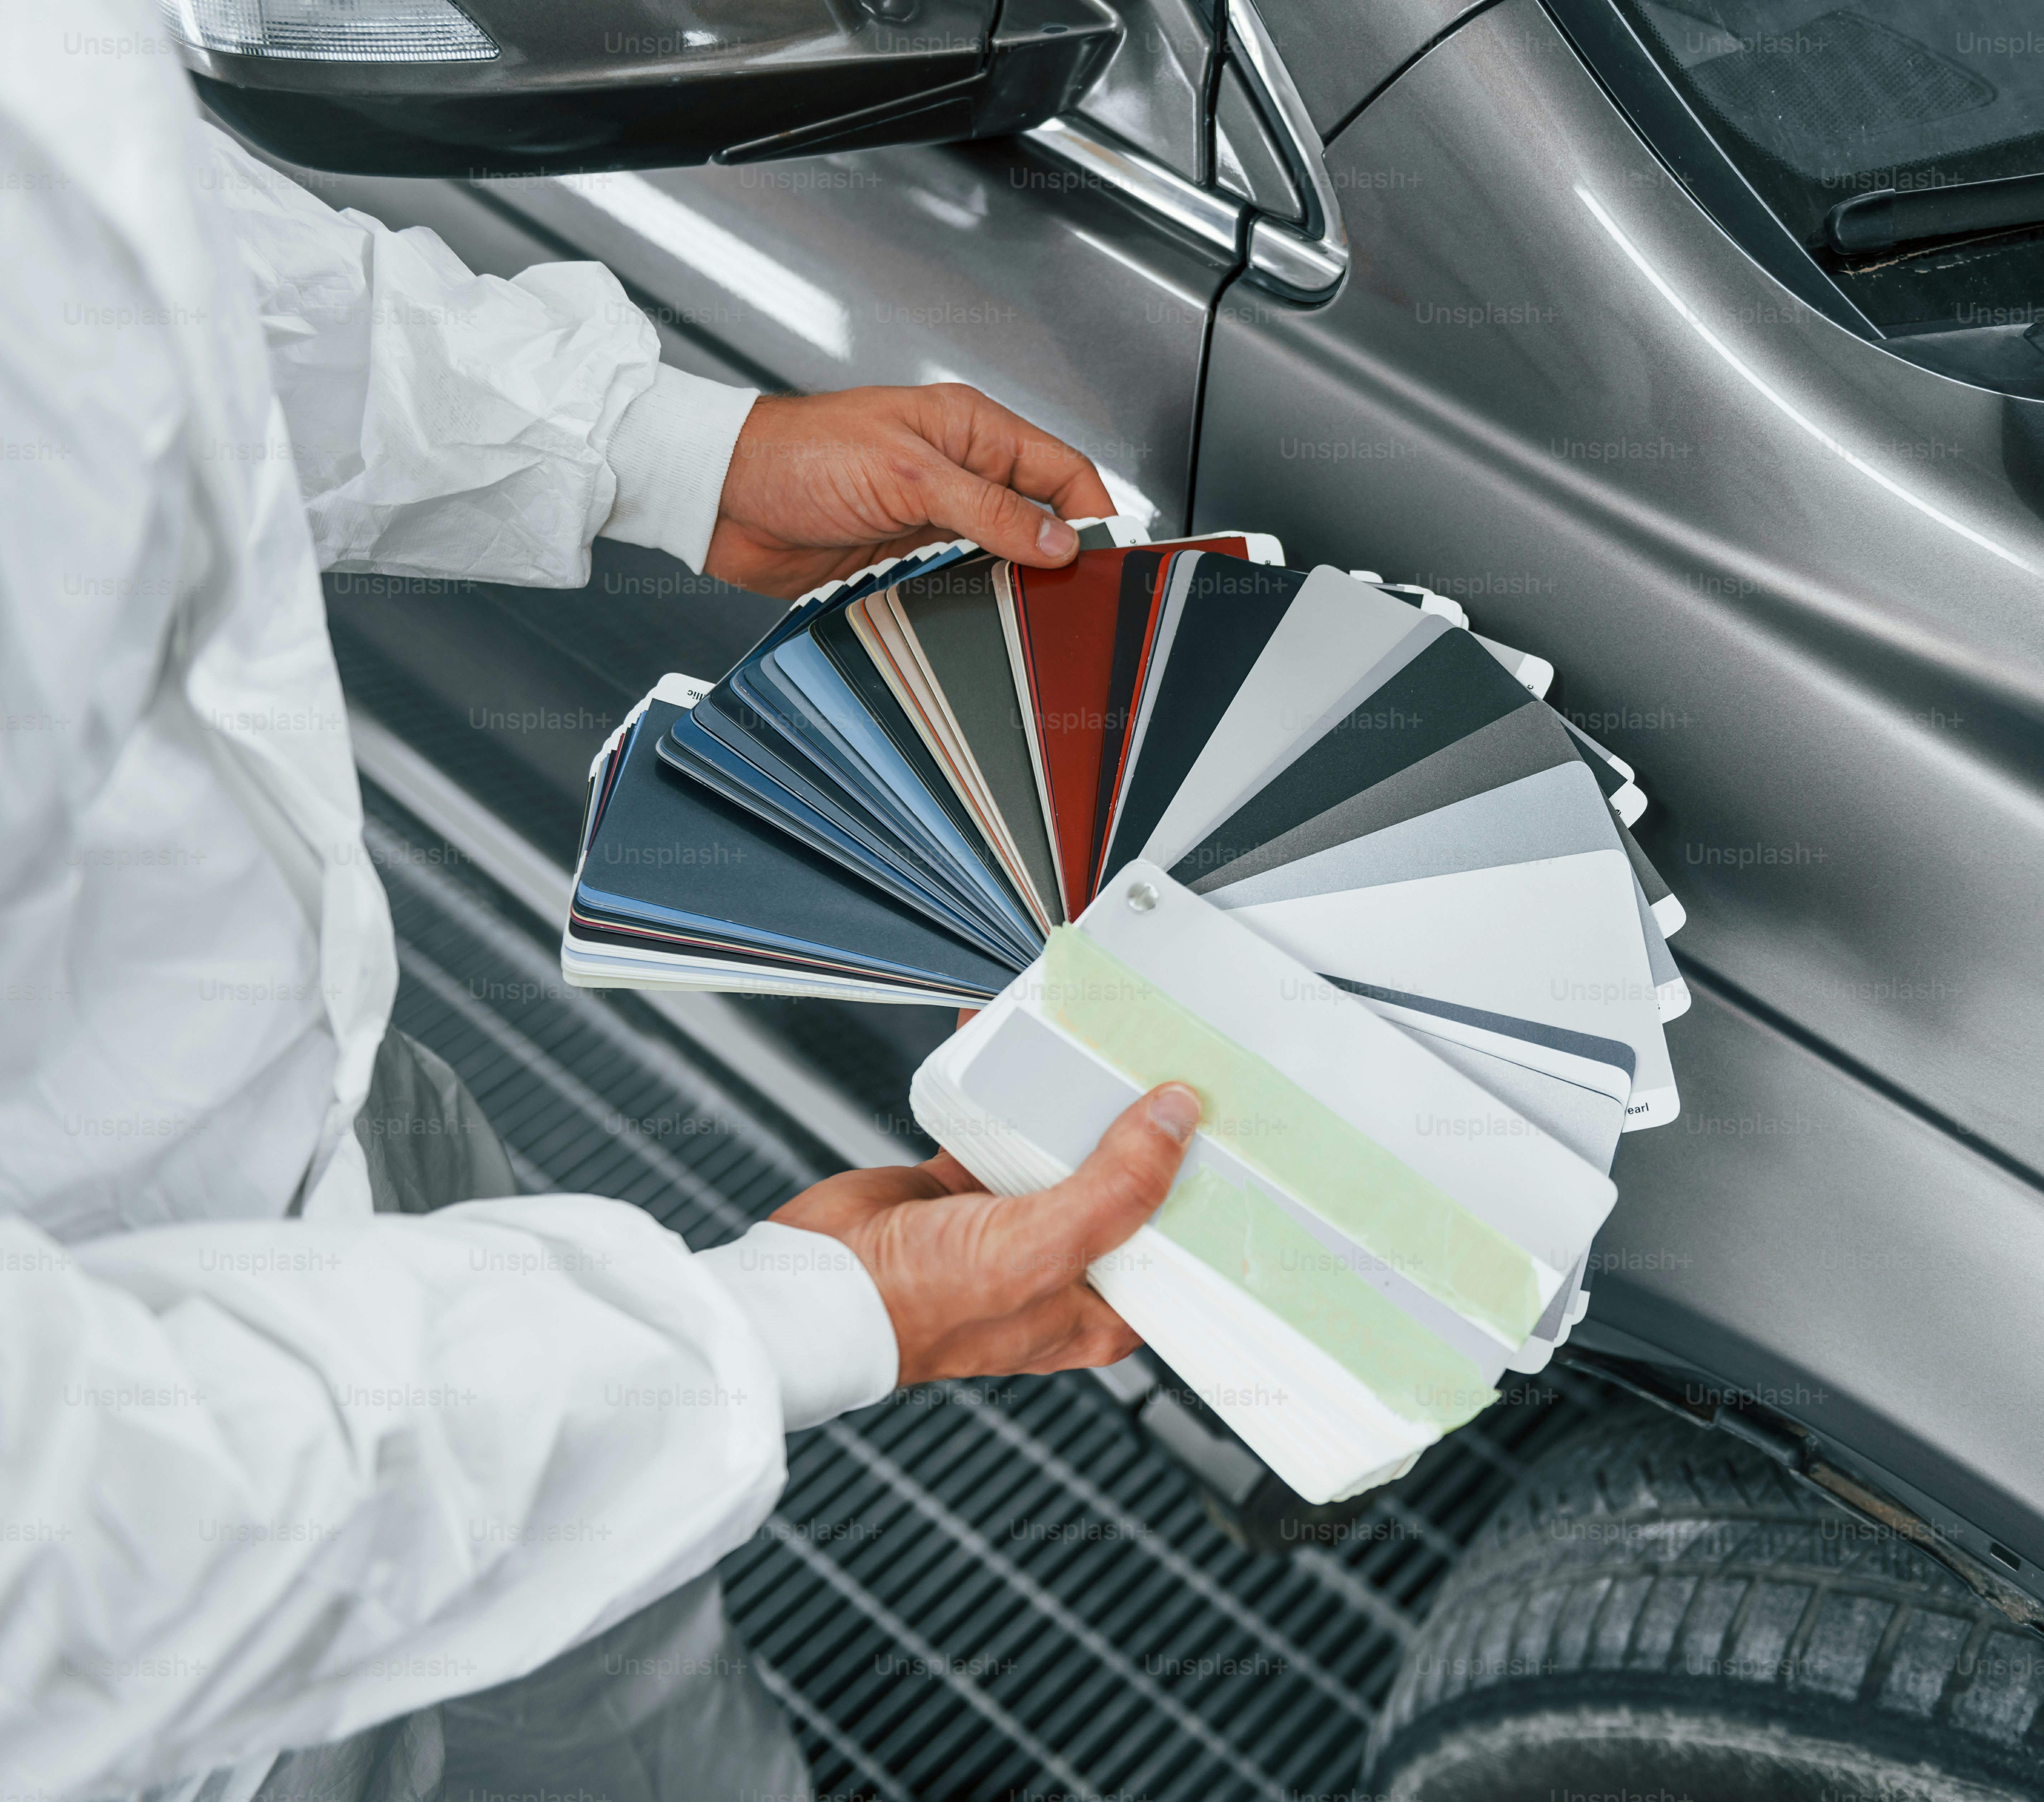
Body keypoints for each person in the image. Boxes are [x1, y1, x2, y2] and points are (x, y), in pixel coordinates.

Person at [0, 5, 1195, 1799]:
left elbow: (108, 267)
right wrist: (779, 1328)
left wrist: (644, 445)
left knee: (632, 1702)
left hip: (322, 1115)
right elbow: (59, 1548)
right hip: (155, 1605)